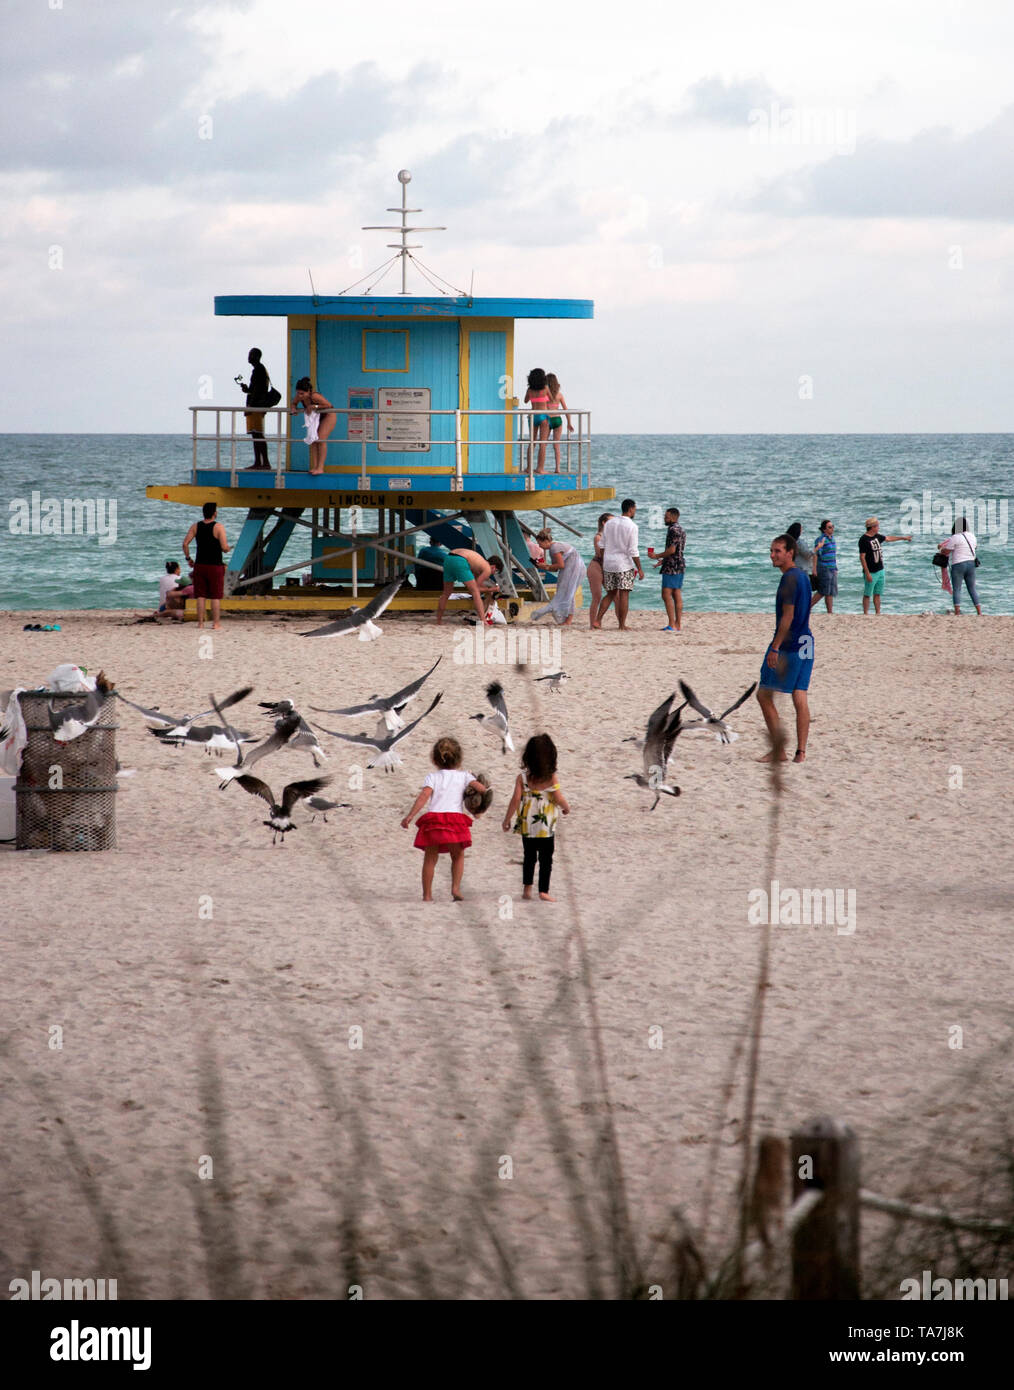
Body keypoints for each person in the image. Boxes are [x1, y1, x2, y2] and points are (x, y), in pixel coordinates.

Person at [401, 737, 488, 902]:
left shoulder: (432, 777)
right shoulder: (465, 776)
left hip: (434, 820)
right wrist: (481, 797)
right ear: (460, 759)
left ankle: (427, 895)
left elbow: (424, 796)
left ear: (434, 760)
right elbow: (482, 789)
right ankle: (455, 888)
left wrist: (410, 816)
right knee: (458, 856)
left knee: (430, 859)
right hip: (455, 820)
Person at [756, 534, 813, 764]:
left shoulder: (789, 579)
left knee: (764, 695)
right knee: (799, 695)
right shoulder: (802, 576)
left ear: (791, 553)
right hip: (807, 642)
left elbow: (787, 617)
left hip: (789, 645)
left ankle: (779, 751)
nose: (773, 555)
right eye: (771, 550)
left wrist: (775, 648)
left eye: (778, 551)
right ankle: (800, 753)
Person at [502, 733, 570, 902]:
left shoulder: (522, 778)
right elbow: (558, 797)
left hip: (528, 825)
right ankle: (543, 891)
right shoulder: (550, 777)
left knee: (529, 857)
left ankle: (527, 889)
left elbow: (515, 799)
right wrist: (566, 808)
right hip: (545, 826)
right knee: (546, 858)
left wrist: (507, 819)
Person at [597, 499, 643, 631]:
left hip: (609, 564)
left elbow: (602, 546)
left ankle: (597, 620)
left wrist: (605, 561)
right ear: (631, 509)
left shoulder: (610, 523)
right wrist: (639, 568)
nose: (635, 511)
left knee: (610, 594)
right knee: (624, 594)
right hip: (623, 564)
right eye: (635, 509)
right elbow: (633, 551)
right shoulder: (632, 526)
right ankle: (621, 625)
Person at [183, 502, 230, 629]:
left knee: (201, 596)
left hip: (200, 565)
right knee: (215, 596)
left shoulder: (196, 526)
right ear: (214, 513)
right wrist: (227, 549)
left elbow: (185, 544)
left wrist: (188, 558)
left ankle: (200, 623)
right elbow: (224, 547)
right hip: (215, 566)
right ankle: (216, 623)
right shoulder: (219, 527)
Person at [434, 549, 504, 624]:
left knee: (446, 593)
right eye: (496, 571)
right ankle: (483, 620)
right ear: (493, 567)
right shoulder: (487, 569)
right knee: (475, 592)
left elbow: (476, 584)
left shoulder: (479, 564)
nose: (493, 574)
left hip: (449, 558)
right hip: (460, 560)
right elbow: (474, 589)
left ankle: (439, 621)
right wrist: (492, 589)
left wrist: (488, 590)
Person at [859, 516, 912, 614]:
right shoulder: (864, 539)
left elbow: (888, 538)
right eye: (877, 526)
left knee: (878, 593)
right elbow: (862, 557)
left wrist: (903, 538)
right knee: (867, 594)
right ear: (872, 527)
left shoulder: (877, 536)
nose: (878, 527)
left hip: (880, 570)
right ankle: (865, 613)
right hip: (871, 571)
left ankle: (878, 612)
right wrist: (867, 573)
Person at [530, 528, 583, 624]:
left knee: (567, 593)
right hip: (573, 568)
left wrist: (546, 566)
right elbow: (555, 568)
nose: (539, 546)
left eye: (539, 543)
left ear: (546, 541)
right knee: (567, 593)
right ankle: (567, 619)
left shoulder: (555, 548)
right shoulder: (553, 548)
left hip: (572, 569)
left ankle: (567, 619)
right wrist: (544, 566)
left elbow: (560, 565)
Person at [648, 506, 686, 633]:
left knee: (666, 594)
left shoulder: (673, 530)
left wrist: (656, 556)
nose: (664, 518)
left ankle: (672, 624)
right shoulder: (681, 529)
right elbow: (678, 551)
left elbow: (672, 550)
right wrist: (663, 561)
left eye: (666, 516)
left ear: (673, 517)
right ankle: (678, 624)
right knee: (676, 593)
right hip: (679, 564)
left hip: (672, 566)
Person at [937, 517, 983, 615]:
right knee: (972, 588)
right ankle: (979, 612)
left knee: (957, 589)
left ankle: (957, 612)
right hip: (971, 564)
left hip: (958, 565)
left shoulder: (955, 537)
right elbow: (975, 547)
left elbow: (947, 551)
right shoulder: (972, 536)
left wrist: (941, 548)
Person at [291, 377, 336, 475]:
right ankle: (314, 466)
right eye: (298, 393)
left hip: (328, 415)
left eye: (302, 393)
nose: (300, 396)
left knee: (321, 438)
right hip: (316, 418)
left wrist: (314, 406)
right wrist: (294, 408)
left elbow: (328, 405)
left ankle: (320, 467)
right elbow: (293, 403)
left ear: (309, 392)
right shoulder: (299, 396)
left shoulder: (314, 396)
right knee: (313, 440)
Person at [237, 348, 272, 470]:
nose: (249, 357)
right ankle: (259, 462)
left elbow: (258, 391)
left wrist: (250, 406)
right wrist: (247, 390)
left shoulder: (259, 370)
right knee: (255, 434)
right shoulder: (259, 370)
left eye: (251, 354)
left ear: (257, 356)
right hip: (256, 405)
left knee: (258, 434)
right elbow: (256, 389)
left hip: (256, 406)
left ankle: (264, 463)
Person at [586, 512, 612, 629]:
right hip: (596, 566)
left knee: (614, 595)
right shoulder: (599, 537)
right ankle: (593, 624)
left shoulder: (612, 536)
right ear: (604, 522)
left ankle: (621, 623)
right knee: (597, 596)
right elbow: (600, 554)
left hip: (607, 567)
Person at [545, 372, 573, 474]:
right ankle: (557, 468)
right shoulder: (559, 395)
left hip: (548, 419)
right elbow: (566, 410)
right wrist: (569, 423)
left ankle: (541, 467)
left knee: (543, 444)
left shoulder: (546, 394)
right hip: (557, 420)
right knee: (556, 445)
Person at [524, 368, 551, 473]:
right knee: (542, 443)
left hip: (533, 415)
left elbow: (525, 401)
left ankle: (528, 468)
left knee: (532, 442)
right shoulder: (545, 388)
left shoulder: (529, 390)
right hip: (543, 416)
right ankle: (540, 468)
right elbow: (551, 399)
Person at [811, 520, 837, 613]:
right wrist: (814, 569)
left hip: (832, 568)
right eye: (830, 527)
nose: (832, 528)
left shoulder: (832, 539)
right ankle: (808, 607)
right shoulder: (821, 539)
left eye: (832, 526)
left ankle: (830, 612)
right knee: (823, 590)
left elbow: (833, 555)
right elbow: (815, 554)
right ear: (824, 529)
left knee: (830, 592)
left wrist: (835, 568)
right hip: (824, 567)